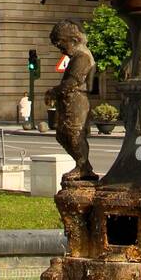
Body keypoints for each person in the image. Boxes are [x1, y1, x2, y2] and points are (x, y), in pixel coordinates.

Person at [45, 21, 96, 182]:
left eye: (62, 46)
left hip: (77, 100)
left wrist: (54, 91)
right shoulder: (76, 56)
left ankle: (83, 166)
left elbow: (72, 82)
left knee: (75, 133)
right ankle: (83, 165)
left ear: (73, 40)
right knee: (62, 134)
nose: (61, 51)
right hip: (70, 99)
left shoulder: (82, 57)